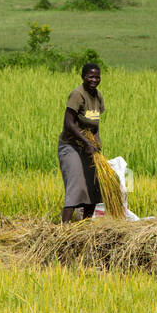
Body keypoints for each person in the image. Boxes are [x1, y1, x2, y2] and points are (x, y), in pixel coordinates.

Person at [58, 63, 104, 223]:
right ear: (83, 77)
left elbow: (95, 124)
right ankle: (64, 228)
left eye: (97, 76)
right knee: (76, 185)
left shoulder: (98, 96)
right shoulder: (78, 94)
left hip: (88, 147)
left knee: (93, 185)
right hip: (71, 146)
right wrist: (85, 142)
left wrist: (97, 143)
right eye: (90, 76)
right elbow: (68, 123)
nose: (94, 79)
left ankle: (84, 226)